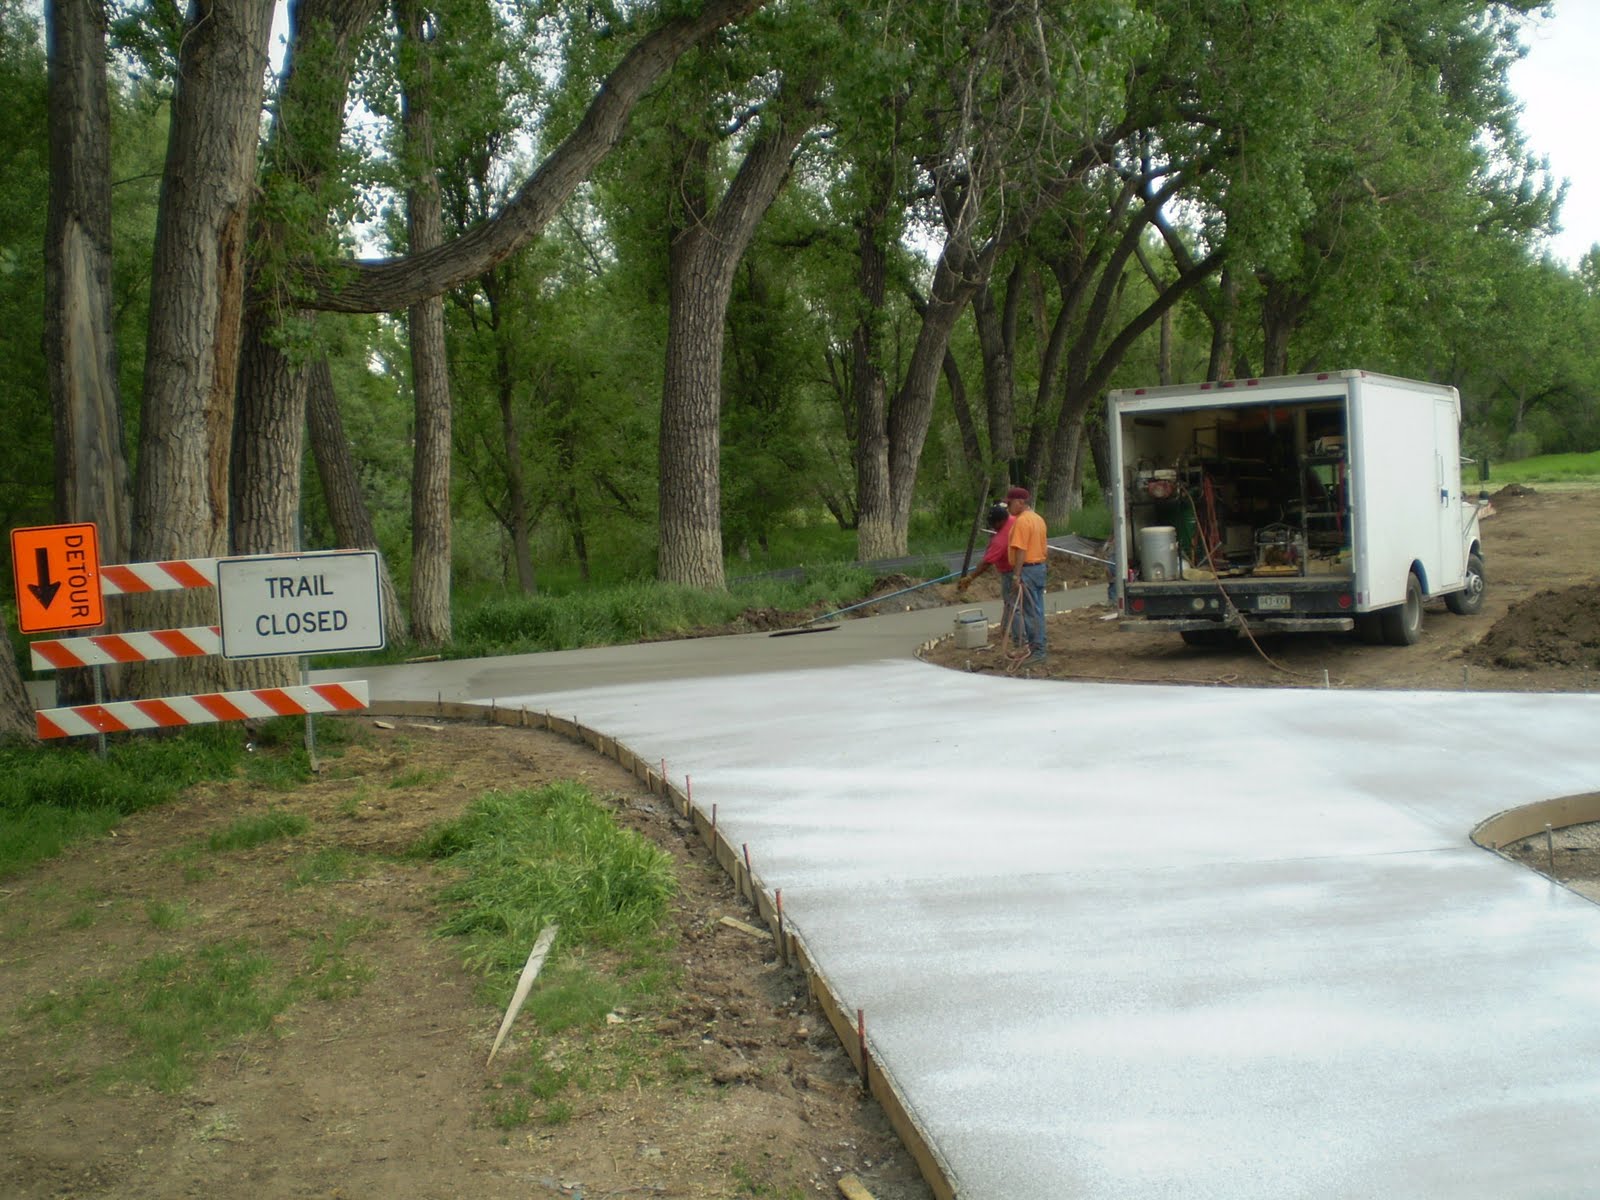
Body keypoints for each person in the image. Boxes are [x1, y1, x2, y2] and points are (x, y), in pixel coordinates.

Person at [957, 502, 1018, 647]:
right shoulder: (1014, 520)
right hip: (1026, 567)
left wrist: (971, 577)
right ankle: (1010, 630)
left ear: (1000, 521)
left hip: (1011, 572)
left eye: (994, 524)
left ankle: (1011, 633)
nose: (993, 527)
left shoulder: (1000, 540)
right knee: (1019, 603)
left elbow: (987, 562)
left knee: (1011, 604)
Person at [1004, 486, 1049, 666]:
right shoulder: (1038, 519)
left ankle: (1038, 650)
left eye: (1010, 503)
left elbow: (1021, 550)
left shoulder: (1022, 522)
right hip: (1039, 567)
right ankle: (1038, 646)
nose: (1008, 507)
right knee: (1037, 610)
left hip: (1028, 569)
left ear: (1020, 502)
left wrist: (1016, 576)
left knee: (1030, 612)